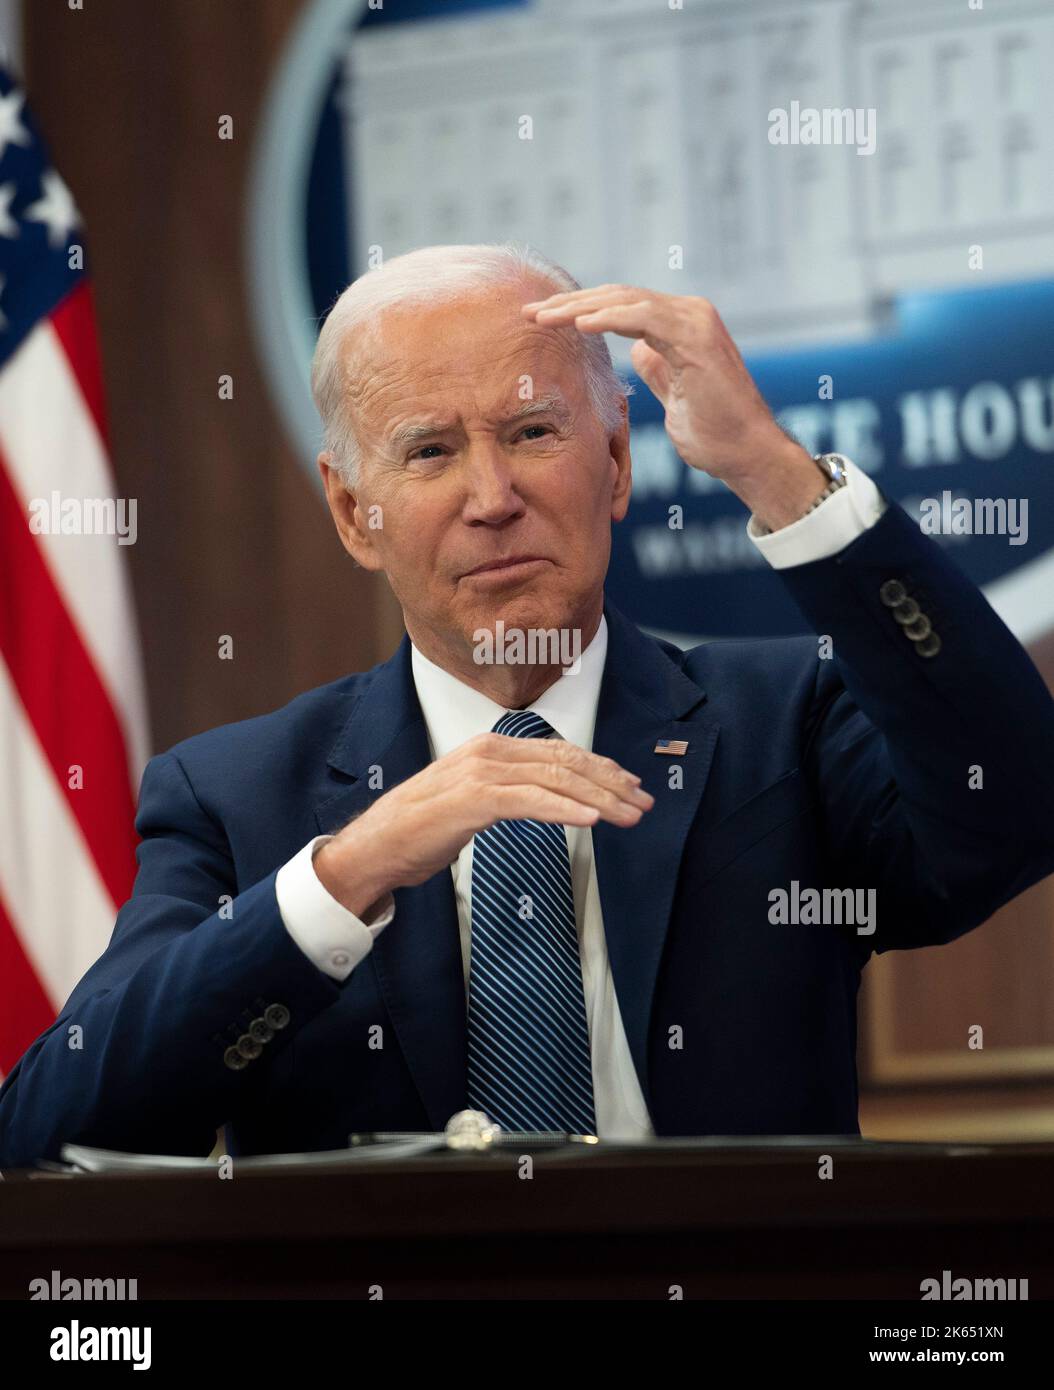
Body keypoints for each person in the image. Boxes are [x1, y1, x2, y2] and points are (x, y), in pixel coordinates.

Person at [2, 243, 1052, 1166]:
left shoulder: (785, 717)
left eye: (534, 430)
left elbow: (1013, 804)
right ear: (352, 512)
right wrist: (347, 873)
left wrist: (771, 471)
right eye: (429, 451)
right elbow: (54, 1129)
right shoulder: (235, 794)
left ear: (615, 461)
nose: (491, 496)